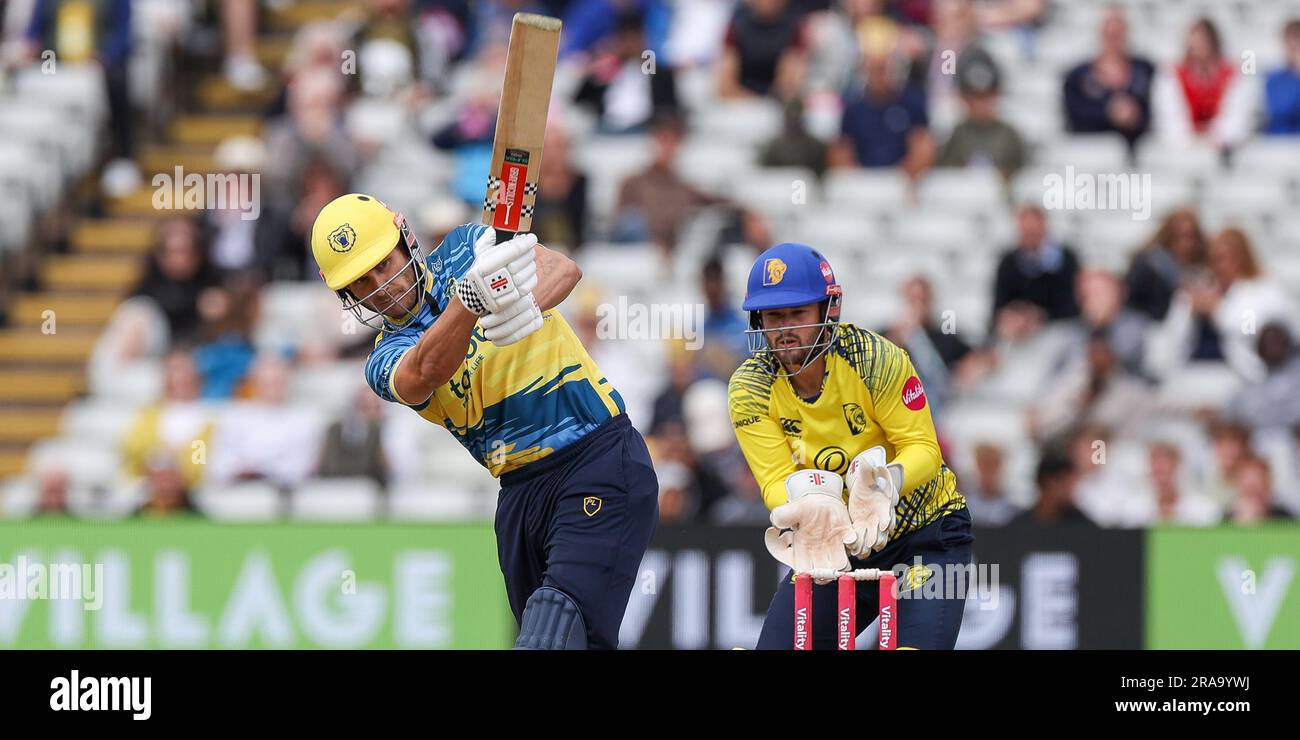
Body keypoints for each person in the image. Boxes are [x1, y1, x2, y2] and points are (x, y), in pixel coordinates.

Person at [308, 194, 657, 649]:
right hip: (518, 494)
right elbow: (425, 372)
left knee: (551, 634)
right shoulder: (383, 360)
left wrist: (522, 309)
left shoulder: (467, 246)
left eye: (383, 263)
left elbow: (562, 271)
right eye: (361, 282)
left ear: (405, 236)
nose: (382, 285)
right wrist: (469, 304)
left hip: (596, 458)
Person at [727, 242, 972, 650]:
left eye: (797, 313)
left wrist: (885, 484)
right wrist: (808, 506)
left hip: (926, 535)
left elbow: (925, 449)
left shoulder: (875, 359)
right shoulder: (749, 388)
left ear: (828, 311)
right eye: (774, 316)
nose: (785, 328)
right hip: (836, 541)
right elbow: (773, 481)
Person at [1062, 6, 1154, 144]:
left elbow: (1158, 110)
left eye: (1117, 33)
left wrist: (1134, 114)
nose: (1113, 37)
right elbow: (1074, 114)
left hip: (1139, 148)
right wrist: (1109, 113)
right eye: (1109, 32)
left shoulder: (1145, 70)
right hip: (1091, 150)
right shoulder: (1077, 76)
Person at [990, 205, 1081, 334]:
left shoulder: (1066, 259)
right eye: (1026, 232)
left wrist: (1040, 316)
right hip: (1019, 335)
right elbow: (999, 307)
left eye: (1033, 231)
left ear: (1044, 227)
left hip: (1058, 329)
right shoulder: (1008, 263)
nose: (1030, 236)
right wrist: (1013, 317)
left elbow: (1073, 306)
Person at [1124, 208, 1207, 322]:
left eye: (1193, 236)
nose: (1189, 244)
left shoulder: (1201, 271)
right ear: (1169, 236)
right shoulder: (1147, 267)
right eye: (1184, 236)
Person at [1263, 20, 1300, 135]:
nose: (1294, 47)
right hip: (1280, 143)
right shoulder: (1274, 79)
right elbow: (1279, 110)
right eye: (1290, 42)